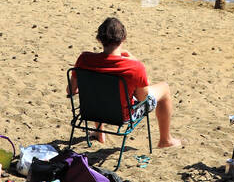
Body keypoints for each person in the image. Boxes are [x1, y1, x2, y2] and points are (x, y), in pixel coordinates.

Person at [69, 17, 182, 149]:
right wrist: (134, 59)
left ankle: (99, 132)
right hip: (122, 116)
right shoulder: (134, 67)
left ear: (99, 39)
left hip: (91, 111)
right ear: (123, 38)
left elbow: (70, 90)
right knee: (165, 88)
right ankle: (165, 140)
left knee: (97, 90)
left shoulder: (84, 59)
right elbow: (143, 99)